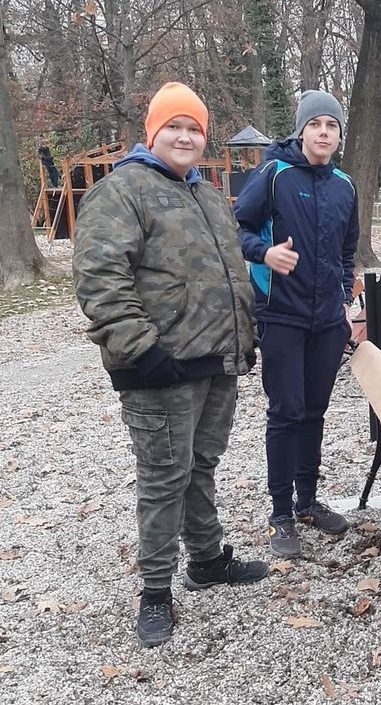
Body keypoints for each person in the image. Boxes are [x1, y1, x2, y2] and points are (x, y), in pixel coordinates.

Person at [73, 82, 267, 648]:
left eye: (194, 129)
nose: (185, 137)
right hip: (159, 366)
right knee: (164, 478)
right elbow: (100, 279)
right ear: (153, 131)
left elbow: (228, 273)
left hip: (216, 361)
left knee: (200, 465)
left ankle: (206, 559)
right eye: (174, 127)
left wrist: (244, 336)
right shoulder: (121, 191)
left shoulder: (206, 195)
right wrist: (142, 350)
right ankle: (155, 590)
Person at [234, 90, 358, 558]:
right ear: (301, 130)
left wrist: (343, 296)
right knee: (286, 412)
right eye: (315, 125)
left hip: (327, 322)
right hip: (281, 314)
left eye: (332, 126)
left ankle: (307, 501)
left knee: (314, 412)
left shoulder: (345, 186)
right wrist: (265, 253)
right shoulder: (274, 174)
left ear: (339, 135)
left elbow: (348, 249)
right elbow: (238, 229)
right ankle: (281, 513)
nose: (323, 133)